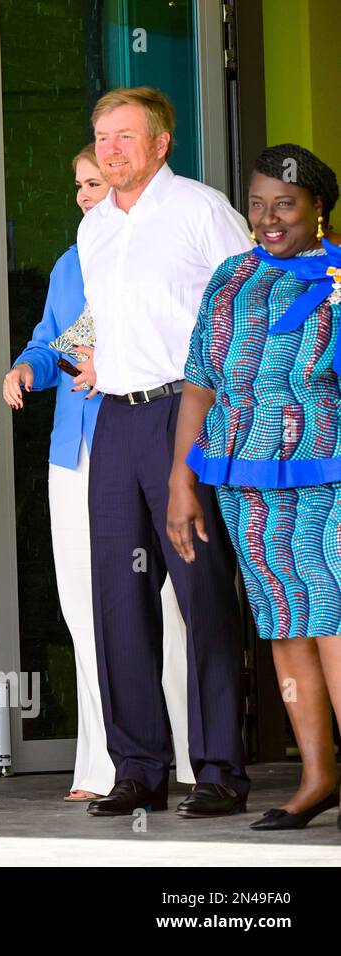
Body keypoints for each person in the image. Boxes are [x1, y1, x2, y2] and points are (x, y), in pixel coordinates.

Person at [74, 87, 253, 818]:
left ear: (160, 143)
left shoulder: (201, 210)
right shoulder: (93, 230)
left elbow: (251, 305)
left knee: (201, 591)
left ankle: (217, 768)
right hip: (115, 419)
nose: (111, 150)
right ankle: (139, 767)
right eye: (102, 138)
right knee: (117, 601)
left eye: (125, 137)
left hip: (190, 414)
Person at [3, 145, 194, 802]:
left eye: (97, 180)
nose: (87, 194)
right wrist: (28, 369)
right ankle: (105, 764)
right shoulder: (68, 264)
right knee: (89, 610)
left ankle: (190, 759)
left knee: (167, 604)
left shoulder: (160, 247)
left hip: (149, 440)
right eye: (80, 184)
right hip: (75, 455)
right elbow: (49, 343)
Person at [170, 144, 341, 831]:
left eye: (286, 205)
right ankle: (317, 776)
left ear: (318, 208)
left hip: (328, 466)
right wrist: (182, 480)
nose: (269, 219)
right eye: (259, 203)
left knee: (333, 611)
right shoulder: (230, 278)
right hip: (244, 474)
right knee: (283, 619)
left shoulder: (338, 279)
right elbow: (198, 383)